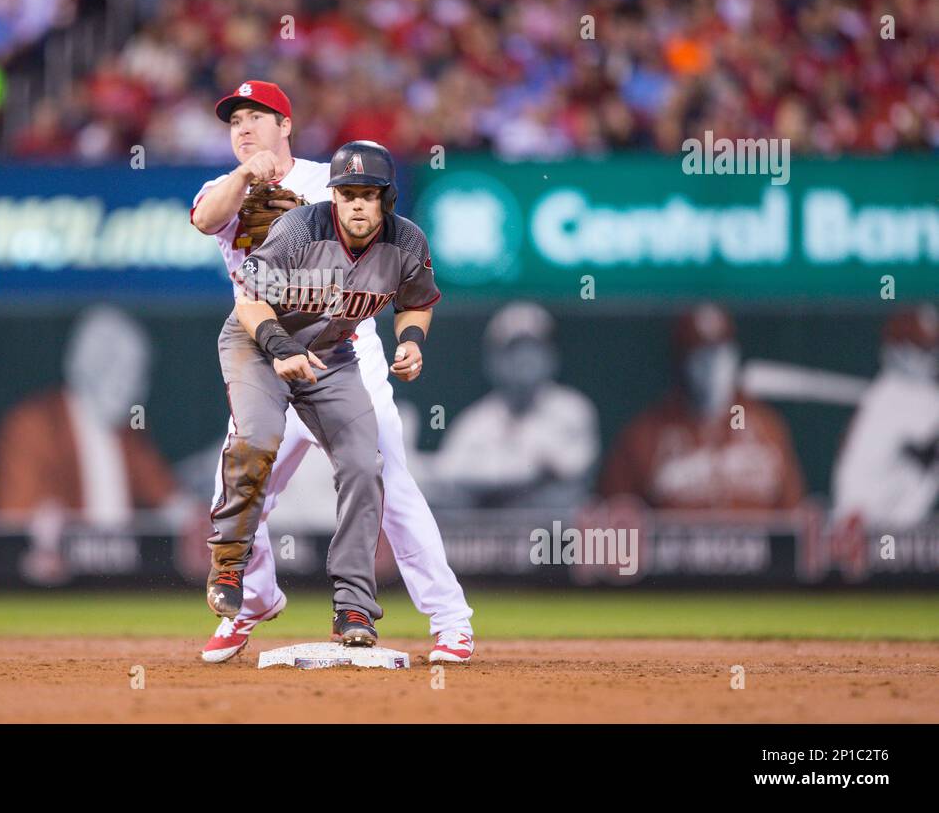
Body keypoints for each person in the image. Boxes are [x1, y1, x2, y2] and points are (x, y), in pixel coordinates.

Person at [193, 82, 473, 663]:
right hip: (266, 341)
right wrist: (245, 177)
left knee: (384, 476)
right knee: (241, 480)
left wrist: (410, 339)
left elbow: (389, 233)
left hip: (345, 344)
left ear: (286, 125)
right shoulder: (225, 186)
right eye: (235, 121)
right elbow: (205, 219)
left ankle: (450, 621)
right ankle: (253, 601)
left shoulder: (332, 177)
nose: (244, 129)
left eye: (257, 117)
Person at [599, 303, 805, 510]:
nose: (713, 369)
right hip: (676, 532)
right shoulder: (646, 434)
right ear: (681, 363)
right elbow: (613, 516)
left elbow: (793, 513)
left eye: (722, 355)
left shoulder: (766, 427)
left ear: (735, 357)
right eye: (701, 358)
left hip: (755, 531)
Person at [0, 305, 180, 524]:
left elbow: (166, 494)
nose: (130, 387)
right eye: (118, 369)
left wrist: (188, 514)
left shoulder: (128, 432)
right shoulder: (31, 427)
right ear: (83, 366)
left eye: (137, 375)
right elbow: (14, 518)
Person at [436, 301, 599, 508]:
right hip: (495, 528)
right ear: (492, 361)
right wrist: (530, 468)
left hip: (558, 527)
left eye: (534, 349)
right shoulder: (475, 421)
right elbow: (447, 479)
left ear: (552, 356)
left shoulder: (573, 410)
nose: (524, 360)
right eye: (512, 351)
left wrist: (488, 475)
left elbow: (571, 470)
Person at [832, 305, 939, 529]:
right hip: (866, 519)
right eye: (923, 347)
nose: (931, 355)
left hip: (892, 520)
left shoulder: (905, 391)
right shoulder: (893, 393)